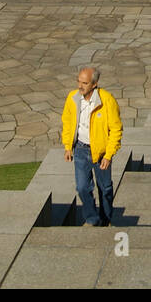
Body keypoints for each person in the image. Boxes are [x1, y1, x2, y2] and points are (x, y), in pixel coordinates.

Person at [61, 66, 123, 226]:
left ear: (94, 84)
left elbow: (116, 129)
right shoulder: (72, 98)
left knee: (105, 188)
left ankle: (105, 219)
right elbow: (67, 123)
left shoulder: (107, 100)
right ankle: (92, 219)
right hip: (80, 149)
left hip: (101, 152)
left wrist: (109, 155)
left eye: (85, 83)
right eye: (79, 81)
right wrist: (68, 146)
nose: (80, 86)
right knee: (82, 187)